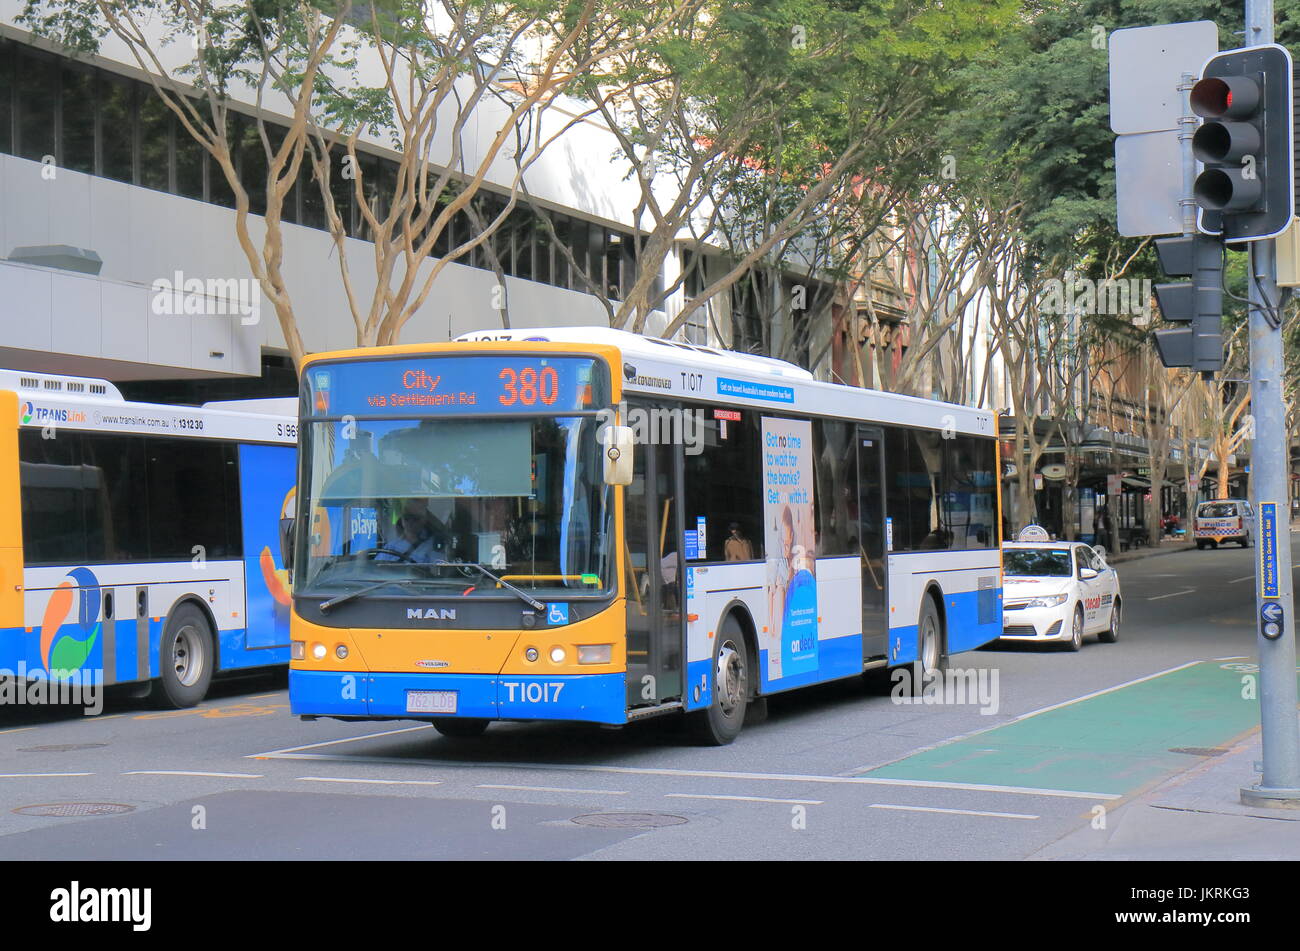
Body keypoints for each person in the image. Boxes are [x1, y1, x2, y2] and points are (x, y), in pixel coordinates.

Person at [378, 498, 446, 563]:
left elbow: (436, 570)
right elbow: (376, 569)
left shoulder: (434, 546)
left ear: (424, 520)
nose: (411, 522)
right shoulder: (391, 546)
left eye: (415, 518)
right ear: (401, 519)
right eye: (407, 518)